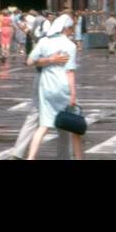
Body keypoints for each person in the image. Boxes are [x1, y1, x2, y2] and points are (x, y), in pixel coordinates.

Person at [25, 15, 82, 160]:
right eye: (71, 29)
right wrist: (73, 96)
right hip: (63, 88)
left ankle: (30, 158)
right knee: (72, 125)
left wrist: (49, 60)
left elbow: (30, 61)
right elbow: (70, 72)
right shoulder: (70, 45)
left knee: (44, 125)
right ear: (66, 29)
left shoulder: (44, 41)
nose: (72, 32)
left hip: (46, 87)